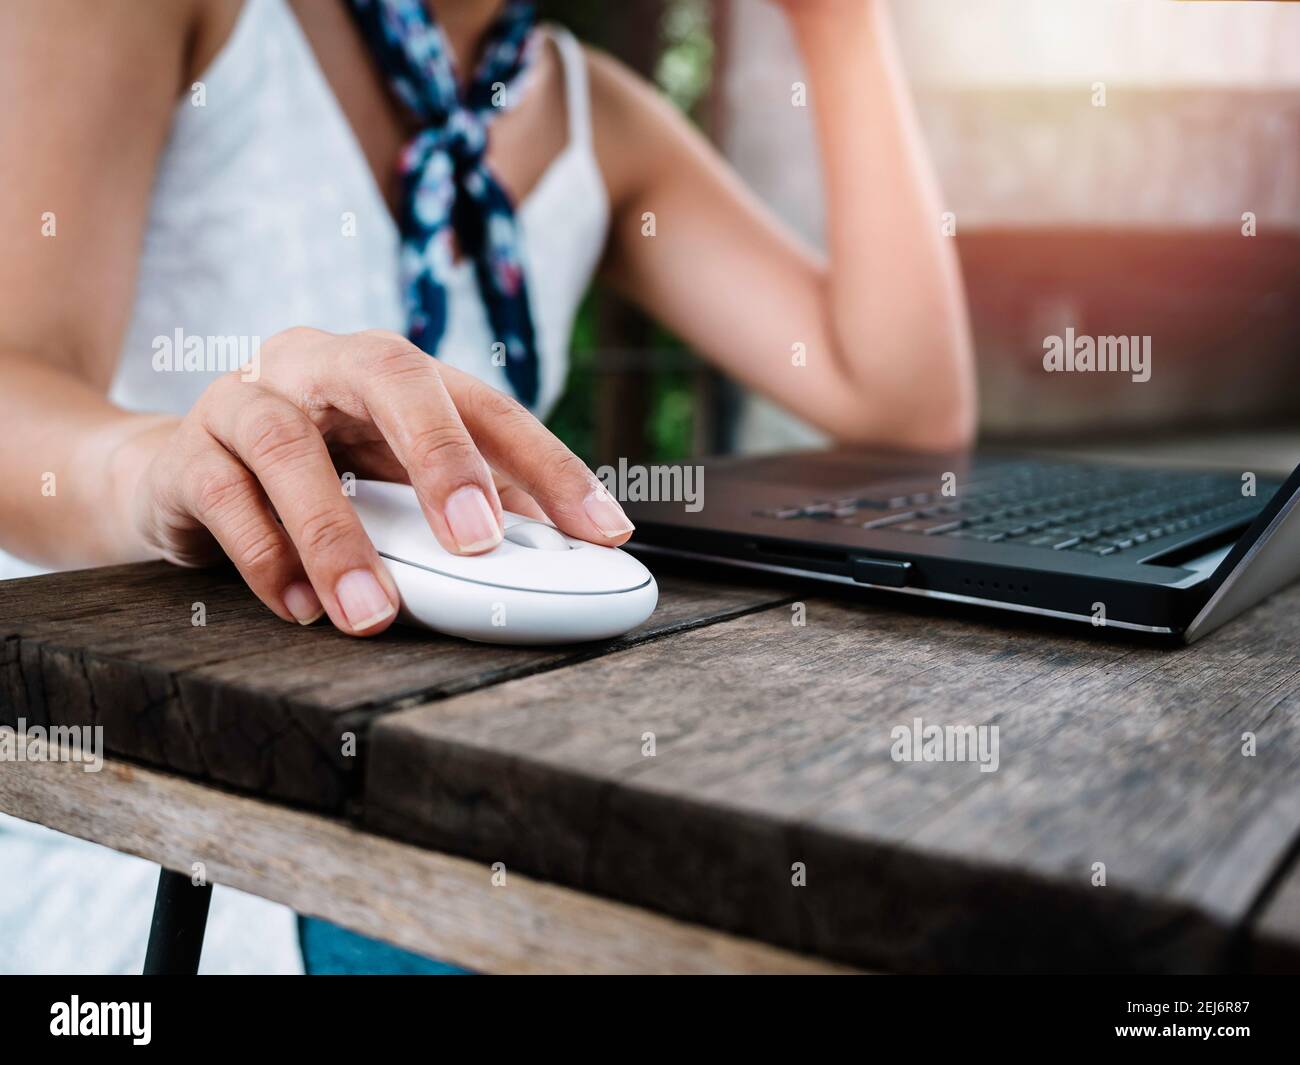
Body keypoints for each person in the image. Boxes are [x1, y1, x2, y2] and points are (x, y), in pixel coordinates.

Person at [0, 0, 974, 973]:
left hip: (441, 785)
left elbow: (899, 402)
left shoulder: (593, 110)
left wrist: (841, 25)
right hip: (129, 812)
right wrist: (161, 466)